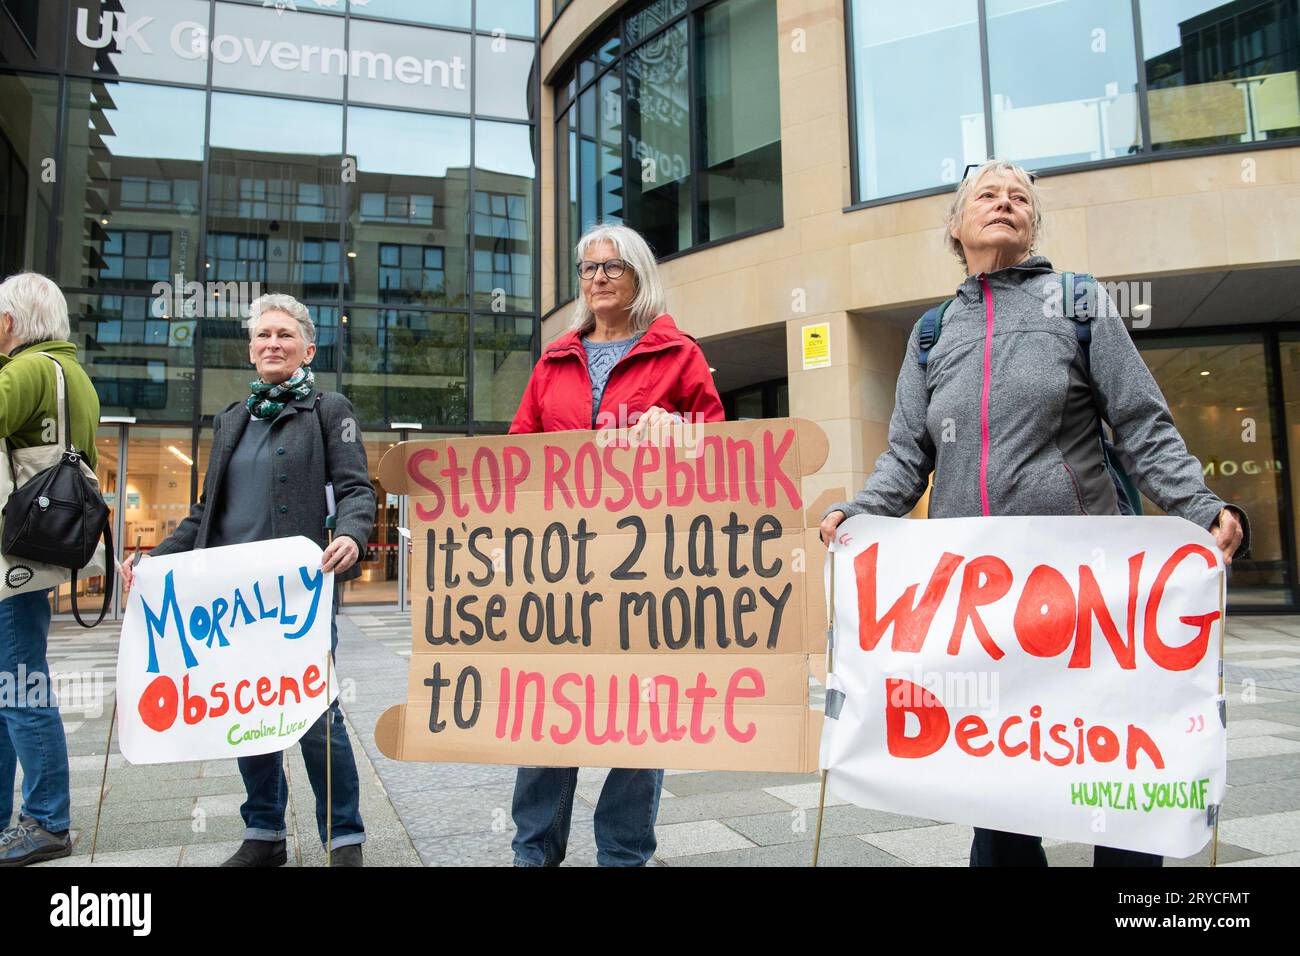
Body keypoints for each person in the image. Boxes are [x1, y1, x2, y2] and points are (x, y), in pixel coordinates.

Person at [819, 159, 1247, 868]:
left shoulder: (1077, 305)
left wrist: (1201, 507)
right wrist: (858, 515)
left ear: (1034, 224)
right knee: (997, 798)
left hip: (1084, 600)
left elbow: (1141, 424)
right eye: (988, 194)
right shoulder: (930, 335)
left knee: (1117, 780)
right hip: (980, 608)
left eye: (1020, 196)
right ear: (955, 227)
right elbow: (905, 459)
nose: (1006, 203)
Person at [120, 292, 375, 867]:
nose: (272, 344)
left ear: (308, 348)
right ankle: (265, 835)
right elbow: (205, 511)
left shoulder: (330, 411)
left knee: (314, 714)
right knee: (246, 713)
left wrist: (353, 535)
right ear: (251, 349)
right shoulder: (232, 418)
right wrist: (154, 560)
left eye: (284, 335)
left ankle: (344, 837)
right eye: (263, 336)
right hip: (230, 601)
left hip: (296, 598)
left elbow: (358, 489)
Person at [508, 223, 724, 866]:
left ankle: (624, 855)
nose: (598, 278)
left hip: (648, 562)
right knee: (551, 707)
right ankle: (533, 850)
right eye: (588, 268)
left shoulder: (679, 354)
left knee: (641, 713)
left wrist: (678, 426)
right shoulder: (553, 359)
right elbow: (519, 451)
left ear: (639, 276)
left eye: (613, 267)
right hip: (562, 563)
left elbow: (717, 452)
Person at [0, 273, 100, 867]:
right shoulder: (73, 374)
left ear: (11, 322)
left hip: (11, 554)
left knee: (21, 687)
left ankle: (47, 820)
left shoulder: (26, 370)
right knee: (10, 687)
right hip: (33, 552)